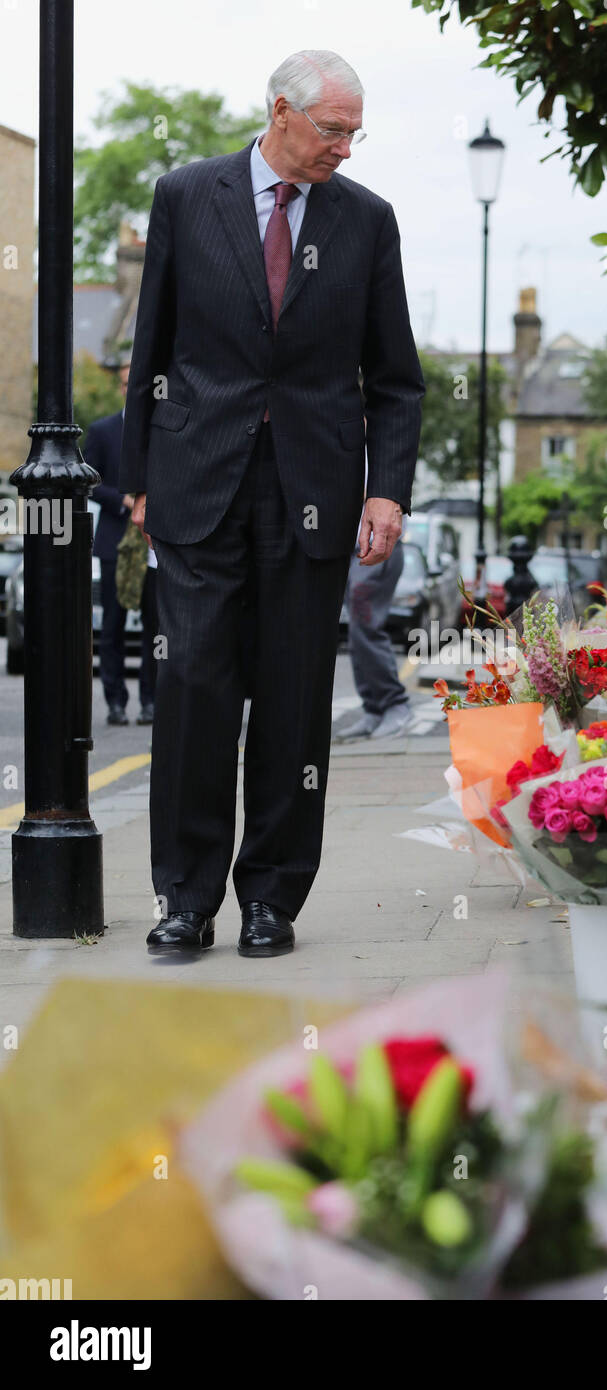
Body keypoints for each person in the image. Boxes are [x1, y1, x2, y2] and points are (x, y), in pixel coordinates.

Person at [119, 49, 424, 959]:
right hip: (198, 479)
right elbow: (153, 343)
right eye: (332, 130)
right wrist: (136, 473)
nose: (343, 148)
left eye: (352, 134)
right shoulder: (186, 195)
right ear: (280, 112)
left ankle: (272, 899)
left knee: (294, 700)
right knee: (194, 686)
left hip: (316, 490)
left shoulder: (367, 222)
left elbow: (396, 379)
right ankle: (184, 896)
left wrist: (386, 492)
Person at [84, 361, 159, 726]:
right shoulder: (102, 431)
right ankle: (115, 702)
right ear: (121, 387)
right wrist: (125, 500)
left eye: (138, 381)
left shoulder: (161, 429)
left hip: (155, 545)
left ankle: (151, 701)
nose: (132, 388)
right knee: (111, 626)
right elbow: (89, 481)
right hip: (115, 542)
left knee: (154, 627)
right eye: (128, 382)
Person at [338, 526, 413, 741]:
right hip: (356, 548)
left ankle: (396, 706)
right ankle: (374, 710)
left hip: (377, 542)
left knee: (367, 630)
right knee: (357, 633)